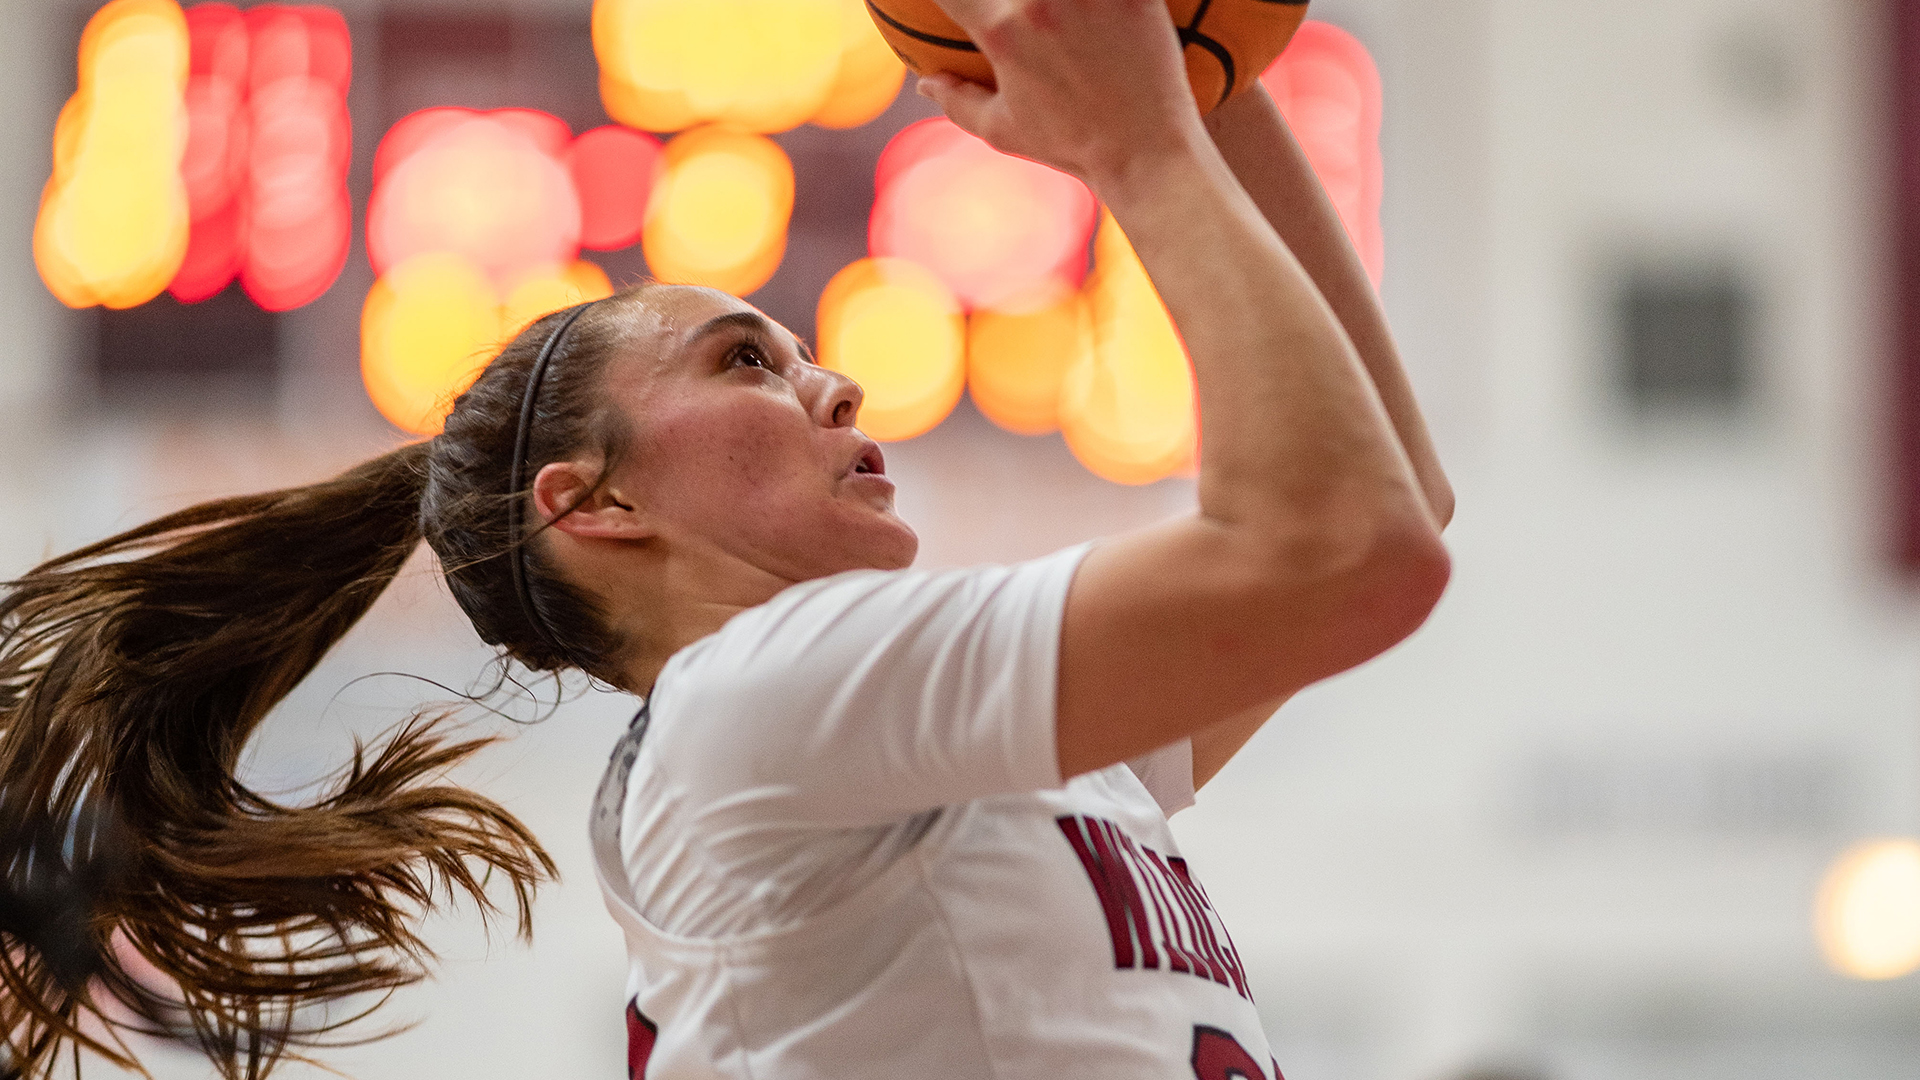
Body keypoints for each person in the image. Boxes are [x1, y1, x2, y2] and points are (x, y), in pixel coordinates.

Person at [0, 1, 1452, 1077]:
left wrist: (1205, 76)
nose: (836, 380)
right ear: (596, 503)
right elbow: (1353, 553)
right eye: (747, 363)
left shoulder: (866, 737)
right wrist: (1142, 136)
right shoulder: (774, 696)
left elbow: (1388, 501)